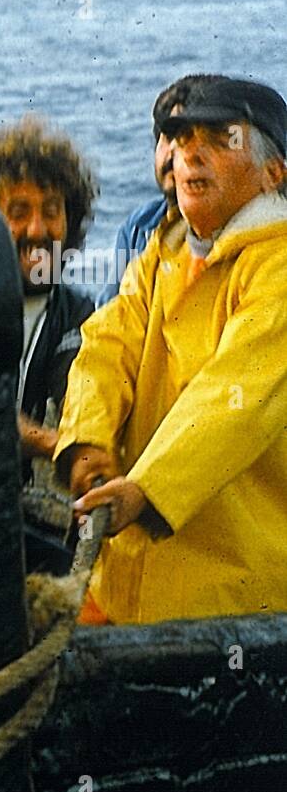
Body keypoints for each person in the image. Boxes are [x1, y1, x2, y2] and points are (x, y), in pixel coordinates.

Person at [56, 76, 287, 625]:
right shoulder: (163, 254)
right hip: (124, 584)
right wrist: (86, 442)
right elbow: (105, 347)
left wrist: (144, 490)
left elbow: (237, 399)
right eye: (181, 141)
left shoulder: (277, 268)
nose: (191, 155)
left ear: (274, 172)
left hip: (232, 600)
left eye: (218, 140)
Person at [0, 116, 97, 466]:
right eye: (19, 212)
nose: (37, 229)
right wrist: (53, 445)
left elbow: (79, 387)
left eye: (52, 210)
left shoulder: (73, 311)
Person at [96, 74, 227, 306]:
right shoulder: (138, 227)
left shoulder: (239, 229)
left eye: (188, 137)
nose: (173, 153)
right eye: (167, 137)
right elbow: (110, 312)